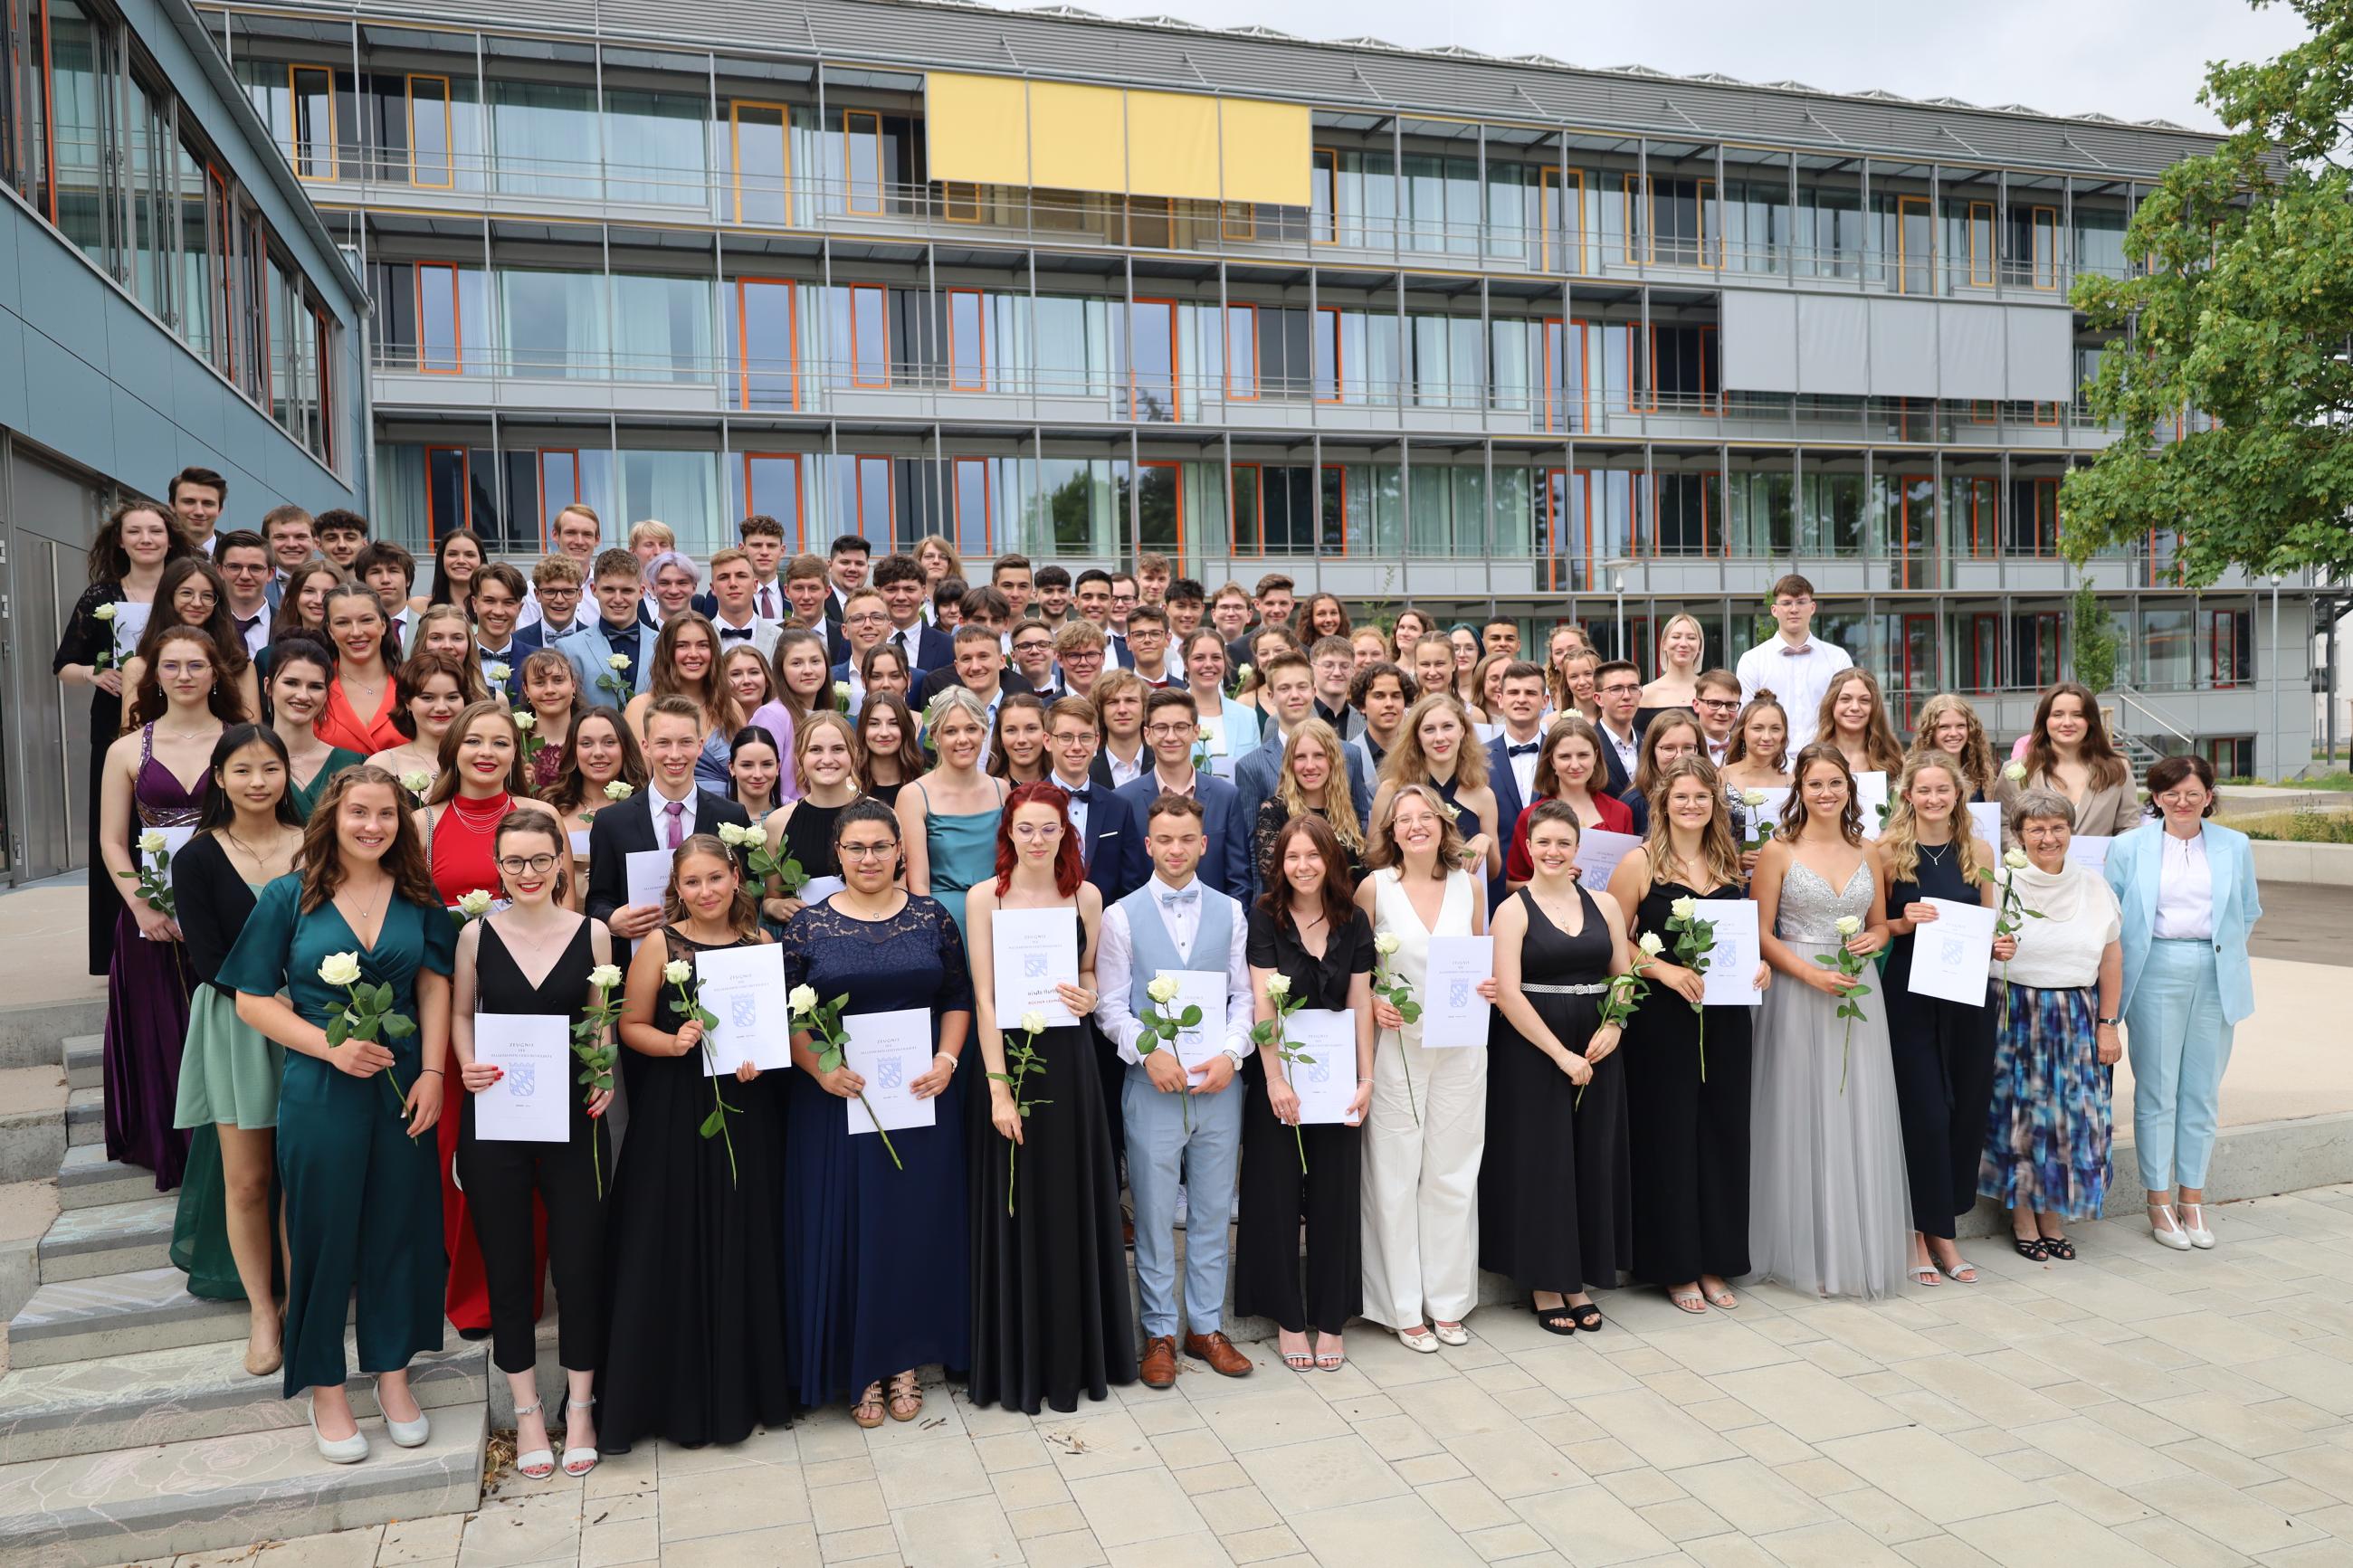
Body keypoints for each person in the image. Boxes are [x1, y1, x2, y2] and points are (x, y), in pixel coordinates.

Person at [222, 766, 452, 1461]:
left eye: (386, 814)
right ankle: (325, 1383)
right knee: (322, 1235)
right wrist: (329, 1046)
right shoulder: (288, 897)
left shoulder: (418, 895)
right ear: (334, 814)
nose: (373, 826)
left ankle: (392, 1375)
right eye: (359, 812)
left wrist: (436, 1070)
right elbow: (252, 998)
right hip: (322, 1088)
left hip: (404, 1082)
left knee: (401, 1226)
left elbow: (435, 985)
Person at [781, 800, 972, 1425]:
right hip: (838, 1104)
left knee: (910, 1227)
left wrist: (946, 1060)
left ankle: (905, 1360)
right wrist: (819, 1069)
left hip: (919, 1099)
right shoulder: (809, 927)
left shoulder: (931, 917)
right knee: (853, 1228)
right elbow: (784, 1016)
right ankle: (859, 1366)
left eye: (880, 846)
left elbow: (956, 995)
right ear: (837, 852)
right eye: (856, 847)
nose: (869, 858)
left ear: (901, 851)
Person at [600, 832, 793, 1450]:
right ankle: (673, 1395)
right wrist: (672, 1042)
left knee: (742, 1234)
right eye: (692, 882)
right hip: (676, 1111)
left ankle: (748, 1388)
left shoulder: (762, 941)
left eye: (715, 877)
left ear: (737, 876)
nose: (705, 891)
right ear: (676, 889)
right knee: (674, 1240)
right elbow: (628, 1025)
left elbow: (772, 1028)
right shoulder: (659, 942)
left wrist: (759, 1058)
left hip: (744, 1108)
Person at [449, 813, 612, 1478]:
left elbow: (603, 1017)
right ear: (497, 864)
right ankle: (525, 1412)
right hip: (499, 1121)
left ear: (561, 861)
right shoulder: (475, 935)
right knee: (510, 1269)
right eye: (514, 862)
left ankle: (578, 1407)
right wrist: (465, 1063)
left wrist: (602, 1069)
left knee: (578, 1268)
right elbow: (463, 1012)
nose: (527, 874)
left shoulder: (594, 934)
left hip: (575, 1120)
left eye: (540, 860)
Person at [963, 783, 1134, 1411]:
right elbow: (983, 997)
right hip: (1010, 1063)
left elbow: (1088, 972)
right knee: (1018, 1204)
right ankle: (1023, 1357)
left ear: (1067, 832)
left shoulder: (1086, 895)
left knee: (1070, 1200)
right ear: (1008, 833)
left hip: (1071, 1065)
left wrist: (1089, 994)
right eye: (1025, 829)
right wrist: (998, 1090)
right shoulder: (987, 898)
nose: (1037, 839)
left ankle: (1078, 1351)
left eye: (1049, 828)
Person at [1093, 793, 1257, 1387]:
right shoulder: (1120, 916)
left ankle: (1205, 1325)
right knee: (1157, 1211)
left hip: (1218, 1083)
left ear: (1204, 843)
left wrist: (1233, 1053)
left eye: (1186, 838)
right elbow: (1110, 1006)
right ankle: (1159, 1330)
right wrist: (1147, 1050)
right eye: (1164, 839)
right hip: (1152, 1084)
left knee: (1214, 1208)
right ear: (1149, 845)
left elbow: (1244, 995)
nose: (1176, 848)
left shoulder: (1232, 912)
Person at [1748, 744, 1910, 1298]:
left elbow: (1882, 923)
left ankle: (1854, 1245)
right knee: (1801, 1111)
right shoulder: (1778, 851)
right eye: (1815, 784)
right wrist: (1807, 973)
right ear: (1800, 789)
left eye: (1835, 783)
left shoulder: (1869, 851)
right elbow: (1760, 933)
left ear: (1850, 790)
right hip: (1797, 990)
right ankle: (1804, 1250)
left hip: (1857, 989)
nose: (1825, 793)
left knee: (1854, 1110)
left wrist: (1879, 935)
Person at [1606, 759, 1766, 1314]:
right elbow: (1613, 943)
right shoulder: (1639, 863)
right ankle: (1673, 1266)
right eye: (1682, 797)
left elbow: (1743, 939)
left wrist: (1758, 966)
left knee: (1723, 1135)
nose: (1692, 805)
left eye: (1702, 796)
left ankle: (1714, 1260)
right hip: (1663, 1021)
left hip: (1724, 1019)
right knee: (1668, 1136)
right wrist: (1663, 970)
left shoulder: (1730, 864)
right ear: (1663, 804)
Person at [169, 724, 301, 1370]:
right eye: (242, 770)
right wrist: (268, 1000)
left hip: (312, 1022)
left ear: (286, 775)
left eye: (270, 768)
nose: (258, 782)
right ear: (218, 778)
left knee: (302, 1176)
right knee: (248, 1180)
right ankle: (263, 1310)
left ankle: (305, 1301)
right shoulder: (195, 858)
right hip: (235, 1023)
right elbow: (208, 956)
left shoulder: (317, 846)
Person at [1358, 784, 1499, 1352]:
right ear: (1390, 832)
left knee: (1453, 1169)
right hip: (1397, 1046)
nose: (1416, 826)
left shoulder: (1469, 885)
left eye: (1426, 817)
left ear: (1443, 826)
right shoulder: (1375, 888)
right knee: (1394, 1172)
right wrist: (1370, 999)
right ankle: (1400, 1306)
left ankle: (1447, 1301)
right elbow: (1354, 969)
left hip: (1461, 1045)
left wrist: (1488, 984)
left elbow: (1479, 952)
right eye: (1404, 819)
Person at [100, 625, 239, 1192]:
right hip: (151, 909)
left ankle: (231, 1139)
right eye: (171, 665)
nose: (184, 675)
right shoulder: (127, 750)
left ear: (214, 673)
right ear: (154, 675)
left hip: (225, 901)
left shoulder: (241, 740)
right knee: (164, 1025)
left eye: (195, 665)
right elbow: (112, 840)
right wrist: (140, 908)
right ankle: (174, 1146)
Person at [417, 700, 539, 1340]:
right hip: (452, 1004)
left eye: (500, 741)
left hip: (530, 1009)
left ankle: (527, 1284)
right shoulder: (423, 824)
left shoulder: (535, 817)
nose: (487, 752)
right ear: (453, 749)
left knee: (532, 1144)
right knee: (459, 1158)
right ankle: (471, 1295)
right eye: (475, 741)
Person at [1489, 801, 1635, 1332]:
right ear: (1528, 847)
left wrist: (1615, 1024)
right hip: (1535, 1048)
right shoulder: (1514, 909)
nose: (1552, 852)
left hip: (1597, 1043)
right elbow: (1506, 991)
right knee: (1543, 1162)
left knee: (1590, 1157)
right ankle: (1545, 1282)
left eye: (1563, 843)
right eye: (1543, 842)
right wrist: (1560, 1054)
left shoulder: (1605, 904)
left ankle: (1578, 1279)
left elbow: (1623, 974)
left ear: (1577, 849)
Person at [2107, 755, 2262, 1252]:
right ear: (2155, 797)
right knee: (2157, 1091)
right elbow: (2111, 913)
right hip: (2154, 968)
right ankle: (2158, 1202)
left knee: (2202, 1092)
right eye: (2171, 793)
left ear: (2209, 796)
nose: (2182, 802)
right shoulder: (2129, 846)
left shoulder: (2234, 846)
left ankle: (2192, 1199)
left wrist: (2224, 953)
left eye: (2193, 793)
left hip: (2216, 972)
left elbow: (2248, 910)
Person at [1236, 816, 1375, 1371]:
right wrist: (1274, 1080)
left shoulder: (1354, 920)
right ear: (1280, 864)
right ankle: (1288, 1319)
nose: (1302, 866)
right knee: (1273, 1195)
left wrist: (1366, 1081)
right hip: (1281, 1082)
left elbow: (1361, 1003)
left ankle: (1330, 1320)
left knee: (1334, 1200)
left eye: (1312, 856)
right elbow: (1261, 1005)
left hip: (1339, 1081)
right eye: (1292, 857)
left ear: (1330, 861)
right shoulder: (1265, 916)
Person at [1879, 750, 2012, 1286]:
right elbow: (1872, 929)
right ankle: (1917, 1232)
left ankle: (1945, 1232)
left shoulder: (1977, 849)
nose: (1934, 799)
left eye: (1944, 790)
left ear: (1959, 795)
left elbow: (1986, 922)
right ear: (1907, 795)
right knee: (1923, 1112)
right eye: (1924, 790)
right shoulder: (1886, 853)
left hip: (1965, 996)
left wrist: (2000, 945)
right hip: (1908, 997)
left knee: (1963, 1109)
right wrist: (1900, 920)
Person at [1981, 789, 2124, 1262]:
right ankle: (2023, 1217)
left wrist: (2108, 1023)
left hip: (2077, 1016)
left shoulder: (2094, 886)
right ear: (2019, 836)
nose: (2048, 837)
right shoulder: (2000, 883)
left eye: (2058, 827)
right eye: (2036, 829)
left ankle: (2054, 1216)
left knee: (2071, 1121)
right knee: (2022, 1119)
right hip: (2017, 1013)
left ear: (2071, 831)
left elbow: (2110, 956)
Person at [586, 698, 755, 964]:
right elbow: (597, 900)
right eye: (663, 743)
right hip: (639, 959)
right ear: (646, 747)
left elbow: (746, 891)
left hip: (717, 961)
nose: (674, 755)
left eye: (685, 742)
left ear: (700, 746)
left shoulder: (732, 816)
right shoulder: (612, 822)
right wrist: (611, 919)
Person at [1118, 689, 1251, 901]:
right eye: (1161, 728)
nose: (1171, 737)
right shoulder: (1124, 800)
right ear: (1147, 734)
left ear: (1196, 732)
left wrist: (1229, 928)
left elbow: (1239, 881)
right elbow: (1125, 883)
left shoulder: (1226, 797)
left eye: (1181, 727)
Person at [900, 687, 1008, 937]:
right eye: (951, 731)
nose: (963, 739)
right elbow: (918, 885)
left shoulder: (1001, 790)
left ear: (983, 732)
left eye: (971, 729)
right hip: (943, 924)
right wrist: (931, 935)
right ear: (935, 735)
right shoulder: (914, 796)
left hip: (999, 919)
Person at [1371, 694, 1500, 888]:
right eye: (1429, 730)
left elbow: (1493, 872)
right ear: (1417, 736)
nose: (1439, 738)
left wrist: (1485, 842)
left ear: (1462, 730)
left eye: (1448, 727)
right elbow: (1375, 857)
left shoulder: (1483, 796)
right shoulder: (1391, 791)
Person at [117, 557, 261, 727]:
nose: (197, 603)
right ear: (168, 596)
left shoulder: (239, 665)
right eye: (186, 593)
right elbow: (132, 731)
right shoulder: (138, 666)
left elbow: (251, 732)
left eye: (207, 596)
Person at [1503, 716, 1634, 889]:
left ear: (1595, 757)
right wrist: (1549, 882)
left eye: (1583, 755)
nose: (1575, 765)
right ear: (1552, 761)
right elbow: (1512, 885)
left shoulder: (1621, 812)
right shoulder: (1529, 816)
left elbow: (1630, 879)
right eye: (1565, 757)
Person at [759, 711, 862, 929]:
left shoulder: (882, 815)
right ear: (799, 758)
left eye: (838, 749)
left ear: (853, 754)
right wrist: (775, 906)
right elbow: (770, 898)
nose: (827, 759)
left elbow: (899, 890)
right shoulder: (777, 823)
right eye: (815, 749)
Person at [1736, 575, 1852, 755]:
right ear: (1774, 610)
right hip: (1770, 762)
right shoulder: (1752, 660)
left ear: (1812, 607)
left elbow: (1847, 712)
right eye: (1787, 603)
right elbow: (1745, 718)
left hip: (1826, 757)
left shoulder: (1838, 659)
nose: (1794, 609)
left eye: (1801, 602)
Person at [1250, 717, 1367, 894]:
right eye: (1300, 757)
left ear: (1332, 760)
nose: (1310, 766)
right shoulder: (1274, 812)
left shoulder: (1346, 812)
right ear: (1290, 763)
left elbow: (1360, 877)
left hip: (1345, 916)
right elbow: (1275, 879)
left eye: (1319, 755)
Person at [624, 613, 737, 791]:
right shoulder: (641, 707)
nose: (693, 654)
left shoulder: (730, 706)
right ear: (667, 652)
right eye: (682, 646)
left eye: (702, 645)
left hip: (729, 814)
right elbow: (639, 783)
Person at [546, 709, 647, 898]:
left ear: (625, 747)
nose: (598, 753)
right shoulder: (551, 808)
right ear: (573, 750)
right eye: (586, 743)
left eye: (609, 742)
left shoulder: (648, 806)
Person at [2019, 682, 2139, 841]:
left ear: (2090, 721)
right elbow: (2006, 825)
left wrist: (2116, 854)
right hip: (2036, 865)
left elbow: (2128, 827)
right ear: (2044, 721)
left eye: (2078, 714)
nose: (2067, 722)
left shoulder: (2118, 768)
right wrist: (2023, 859)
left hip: (2101, 865)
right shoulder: (2019, 770)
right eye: (2058, 714)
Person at [312, 584, 408, 756]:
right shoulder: (314, 688)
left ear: (384, 625)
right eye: (343, 623)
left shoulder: (411, 684)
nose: (356, 632)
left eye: (366, 620)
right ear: (330, 631)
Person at [551, 549, 656, 704]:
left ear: (641, 592)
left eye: (626, 590)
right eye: (609, 590)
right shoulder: (569, 648)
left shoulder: (662, 644)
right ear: (594, 590)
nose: (618, 599)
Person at [748, 627, 833, 801]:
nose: (808, 670)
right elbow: (760, 783)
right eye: (797, 663)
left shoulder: (825, 715)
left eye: (815, 661)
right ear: (781, 670)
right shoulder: (771, 715)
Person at [364, 653, 470, 792]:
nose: (441, 708)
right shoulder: (382, 765)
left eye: (452, 697)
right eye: (428, 698)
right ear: (407, 702)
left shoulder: (480, 758)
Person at [1912, 695, 2015, 811]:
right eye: (1944, 727)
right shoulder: (1915, 773)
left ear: (1970, 729)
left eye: (1960, 726)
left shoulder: (1982, 773)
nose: (1953, 733)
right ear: (1930, 731)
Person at [1615, 708, 1706, 837]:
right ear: (1652, 752)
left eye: (1688, 748)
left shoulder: (1711, 797)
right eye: (1669, 749)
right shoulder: (1635, 804)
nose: (1679, 757)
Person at [1181, 628, 1261, 773]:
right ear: (1186, 664)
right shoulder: (1173, 714)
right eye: (1199, 658)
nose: (1208, 664)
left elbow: (1256, 772)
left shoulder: (1247, 716)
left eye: (1216, 657)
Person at [1815, 669, 1906, 789]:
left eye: (1864, 700)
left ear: (1874, 707)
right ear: (1831, 704)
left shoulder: (1895, 758)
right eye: (1845, 699)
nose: (1855, 707)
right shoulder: (1812, 758)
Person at [519, 649, 583, 794]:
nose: (550, 690)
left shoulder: (593, 738)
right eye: (539, 682)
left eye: (558, 680)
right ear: (526, 689)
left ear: (573, 685)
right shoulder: (514, 746)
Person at [856, 692, 923, 811]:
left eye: (893, 723)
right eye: (874, 724)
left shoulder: (923, 786)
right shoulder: (850, 787)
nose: (884, 733)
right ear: (863, 729)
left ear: (905, 729)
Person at [1348, 660, 1412, 775]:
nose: (1389, 704)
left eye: (1396, 696)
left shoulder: (1417, 753)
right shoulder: (1347, 756)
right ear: (1362, 705)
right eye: (1379, 696)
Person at [1091, 670, 1151, 788]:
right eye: (1112, 702)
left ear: (1145, 711)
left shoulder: (1163, 764)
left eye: (1130, 701)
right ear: (1100, 712)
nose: (1122, 710)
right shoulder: (1086, 770)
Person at [1639, 612, 1708, 717]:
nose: (1683, 644)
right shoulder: (1644, 694)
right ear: (1664, 644)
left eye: (1691, 638)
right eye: (1676, 637)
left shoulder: (1711, 692)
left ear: (1699, 646)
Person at [1720, 694, 1792, 794]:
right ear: (1742, 733)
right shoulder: (1721, 779)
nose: (1766, 737)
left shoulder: (1792, 782)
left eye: (1775, 729)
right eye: (1757, 728)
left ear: (1784, 733)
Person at [417, 527, 485, 621]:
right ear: (442, 559)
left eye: (470, 555)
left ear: (481, 560)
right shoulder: (419, 608)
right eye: (452, 554)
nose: (461, 561)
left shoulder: (493, 609)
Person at [987, 691, 1051, 784]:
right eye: (1011, 730)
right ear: (1000, 738)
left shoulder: (1065, 786)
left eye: (1031, 729)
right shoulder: (989, 790)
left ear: (1046, 735)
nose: (1021, 740)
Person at [1691, 668, 1745, 767]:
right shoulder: (1685, 749)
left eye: (1730, 705)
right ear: (1696, 705)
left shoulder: (1746, 750)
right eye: (1714, 703)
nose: (1723, 712)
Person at [727, 726, 782, 820]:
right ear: (732, 768)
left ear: (777, 767)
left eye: (767, 764)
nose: (758, 775)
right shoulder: (715, 818)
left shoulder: (792, 820)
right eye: (747, 765)